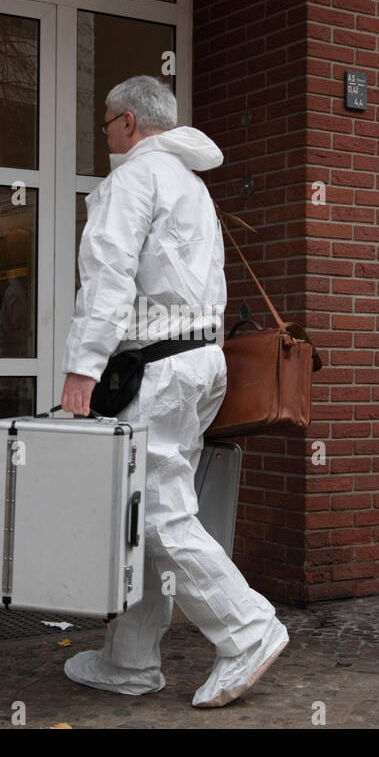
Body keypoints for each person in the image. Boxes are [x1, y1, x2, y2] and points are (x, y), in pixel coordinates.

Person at [59, 75, 288, 707]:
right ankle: (130, 659)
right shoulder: (191, 184)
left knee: (157, 515)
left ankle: (248, 630)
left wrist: (82, 369)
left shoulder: (131, 180)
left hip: (155, 369)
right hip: (198, 363)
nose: (104, 134)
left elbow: (108, 277)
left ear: (128, 122)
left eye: (105, 123)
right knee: (150, 513)